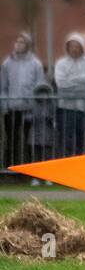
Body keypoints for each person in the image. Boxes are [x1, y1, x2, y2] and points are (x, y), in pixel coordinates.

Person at [1, 31, 46, 170]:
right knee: (11, 140)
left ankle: (27, 170)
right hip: (12, 108)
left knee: (28, 140)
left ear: (28, 45)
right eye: (17, 42)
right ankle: (10, 169)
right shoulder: (7, 63)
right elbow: (3, 86)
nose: (18, 44)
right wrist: (4, 105)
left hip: (29, 109)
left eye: (22, 42)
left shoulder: (36, 64)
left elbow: (40, 86)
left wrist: (36, 106)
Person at [53, 32, 85, 154]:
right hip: (66, 108)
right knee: (66, 140)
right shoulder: (61, 63)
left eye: (77, 45)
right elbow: (61, 83)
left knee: (83, 140)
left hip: (84, 109)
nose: (74, 48)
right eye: (71, 46)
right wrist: (82, 85)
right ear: (67, 47)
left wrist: (72, 80)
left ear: (81, 47)